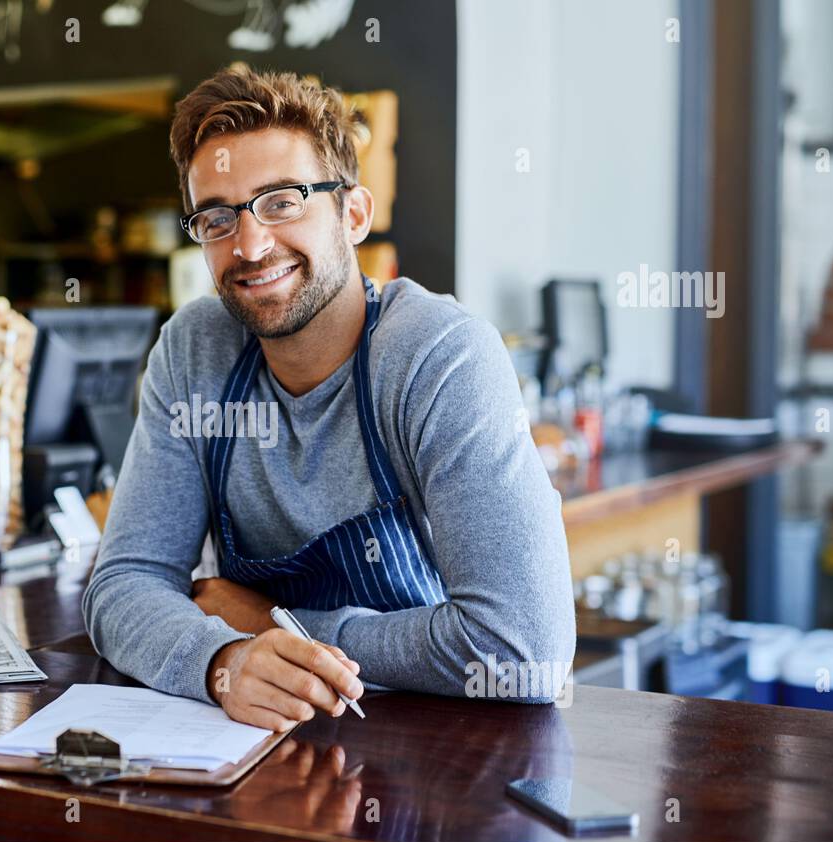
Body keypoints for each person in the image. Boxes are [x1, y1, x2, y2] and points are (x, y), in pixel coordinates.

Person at [82, 64, 575, 731]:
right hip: (259, 750)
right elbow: (121, 586)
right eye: (218, 218)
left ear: (353, 213)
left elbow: (525, 651)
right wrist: (223, 659)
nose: (250, 245)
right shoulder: (196, 349)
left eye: (282, 201)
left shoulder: (439, 354)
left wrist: (273, 626)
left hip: (439, 758)